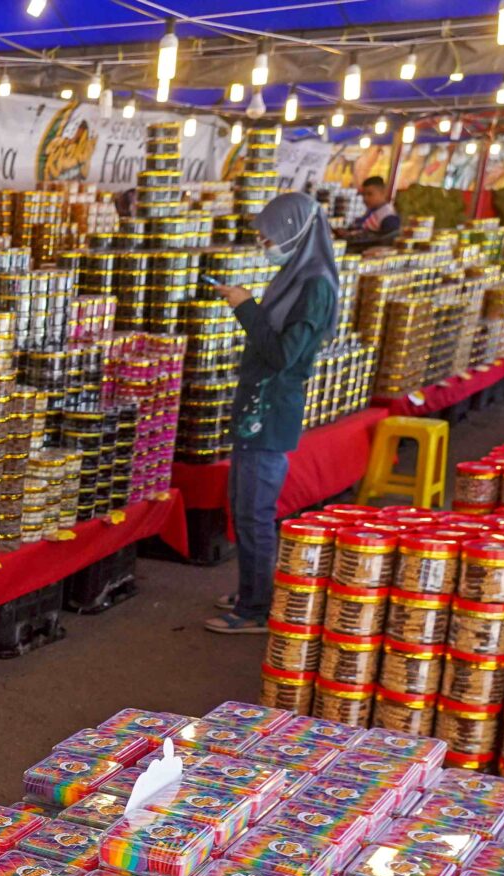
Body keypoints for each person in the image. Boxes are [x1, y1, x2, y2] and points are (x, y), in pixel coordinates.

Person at [206, 192, 341, 636]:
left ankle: (257, 609)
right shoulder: (294, 274)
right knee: (244, 507)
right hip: (256, 409)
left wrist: (246, 308)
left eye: (270, 236)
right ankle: (252, 589)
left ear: (294, 232)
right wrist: (247, 306)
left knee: (255, 513)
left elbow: (284, 354)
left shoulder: (316, 284)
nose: (265, 244)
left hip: (272, 410)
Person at [342, 176, 400, 252]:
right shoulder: (372, 210)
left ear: (383, 193)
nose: (365, 198)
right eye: (363, 194)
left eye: (369, 194)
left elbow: (384, 243)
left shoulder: (389, 217)